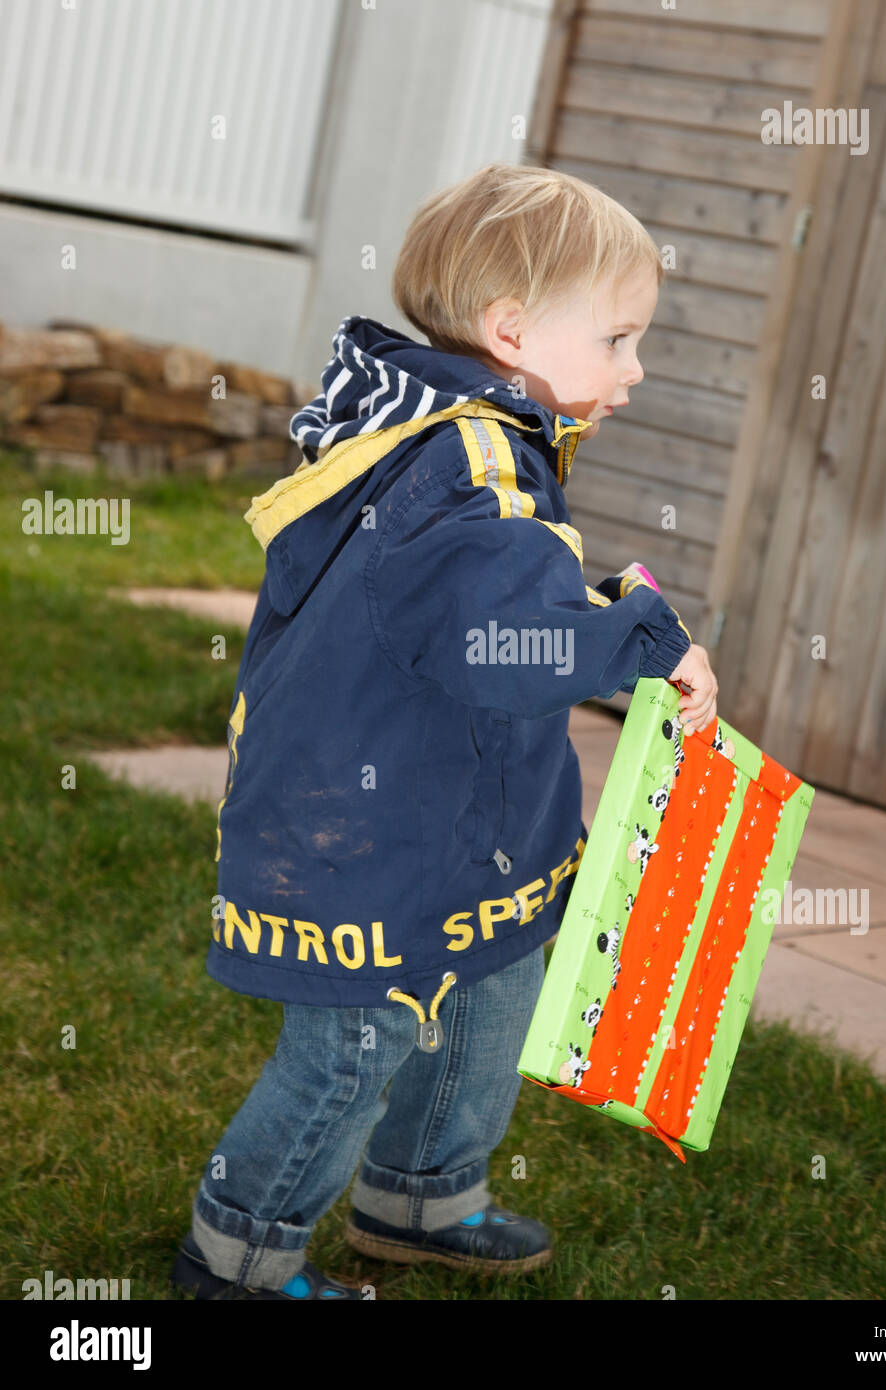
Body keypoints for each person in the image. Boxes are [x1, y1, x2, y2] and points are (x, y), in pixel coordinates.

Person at [170, 162, 718, 1300]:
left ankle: (421, 1193)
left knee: (488, 977)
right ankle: (240, 1259)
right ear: (511, 329)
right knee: (353, 1047)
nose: (635, 369)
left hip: (456, 807)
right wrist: (641, 636)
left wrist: (601, 608)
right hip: (369, 829)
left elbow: (495, 598)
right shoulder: (464, 464)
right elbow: (503, 645)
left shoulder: (448, 424)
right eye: (617, 339)